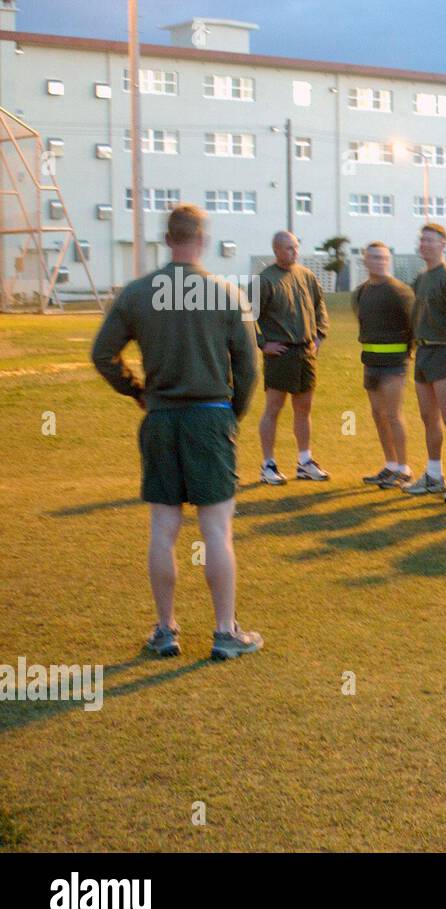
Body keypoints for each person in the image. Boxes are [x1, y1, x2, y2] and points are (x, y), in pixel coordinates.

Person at [90, 204, 261, 660]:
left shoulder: (138, 292)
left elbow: (102, 354)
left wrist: (138, 392)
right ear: (203, 239)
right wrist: (231, 415)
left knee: (163, 528)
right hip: (210, 416)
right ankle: (225, 632)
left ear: (167, 240)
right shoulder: (226, 293)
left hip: (162, 417)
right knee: (217, 530)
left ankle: (165, 629)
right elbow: (248, 367)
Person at [403, 223, 446, 501]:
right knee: (428, 417)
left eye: (430, 240)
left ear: (443, 244)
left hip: (445, 353)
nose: (424, 244)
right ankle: (434, 475)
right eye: (422, 240)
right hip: (423, 353)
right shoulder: (421, 278)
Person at [255, 230, 330, 485]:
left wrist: (319, 335)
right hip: (281, 353)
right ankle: (268, 465)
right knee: (273, 409)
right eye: (288, 248)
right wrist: (263, 344)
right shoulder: (265, 280)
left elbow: (320, 305)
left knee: (304, 408)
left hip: (306, 352)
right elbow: (247, 316)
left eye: (296, 247)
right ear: (276, 250)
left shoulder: (306, 276)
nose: (294, 252)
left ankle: (305, 461)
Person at [354, 242, 415, 489]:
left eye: (383, 258)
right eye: (374, 257)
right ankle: (389, 465)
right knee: (378, 415)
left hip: (394, 364)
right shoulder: (360, 292)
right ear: (365, 261)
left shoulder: (400, 291)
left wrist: (406, 355)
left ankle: (404, 468)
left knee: (393, 415)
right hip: (370, 362)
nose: (379, 261)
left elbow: (413, 325)